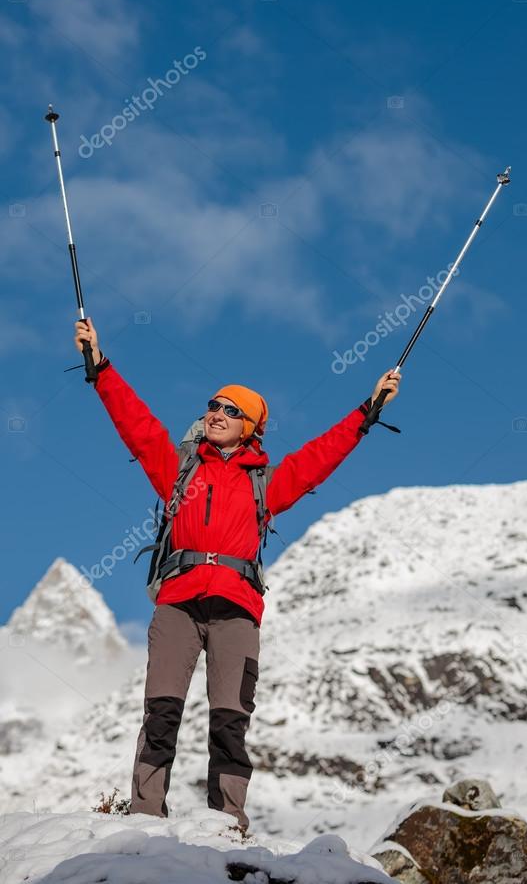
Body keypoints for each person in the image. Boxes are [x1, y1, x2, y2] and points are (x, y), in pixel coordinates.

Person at [73, 317, 400, 831]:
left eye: (230, 410)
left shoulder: (267, 484)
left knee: (230, 721)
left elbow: (321, 456)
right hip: (178, 603)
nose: (215, 413)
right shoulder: (180, 467)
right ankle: (144, 817)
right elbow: (136, 426)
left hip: (237, 610)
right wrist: (100, 367)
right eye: (213, 405)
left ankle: (225, 822)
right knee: (161, 712)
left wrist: (367, 411)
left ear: (251, 426)